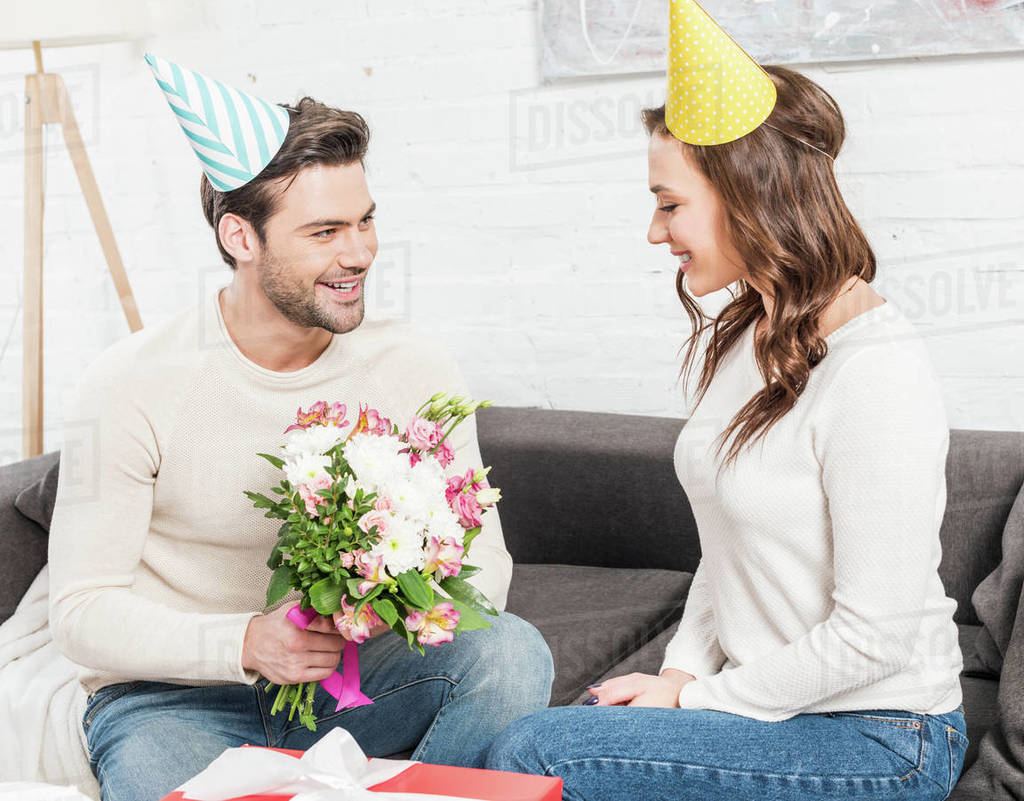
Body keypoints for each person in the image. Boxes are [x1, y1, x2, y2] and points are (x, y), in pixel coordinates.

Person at [485, 2, 967, 799]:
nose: (653, 231)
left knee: (538, 751)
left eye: (669, 203)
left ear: (749, 192)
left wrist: (697, 698)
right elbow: (728, 539)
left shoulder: (879, 371)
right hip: (775, 708)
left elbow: (875, 639)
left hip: (885, 734)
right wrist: (677, 670)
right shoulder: (750, 334)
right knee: (567, 730)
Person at [48, 55, 552, 801]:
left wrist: (384, 605)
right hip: (175, 702)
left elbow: (487, 569)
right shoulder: (125, 384)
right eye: (324, 231)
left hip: (355, 683)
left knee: (510, 655)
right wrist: (247, 641)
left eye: (366, 220)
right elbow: (81, 613)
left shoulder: (415, 367)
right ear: (239, 238)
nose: (359, 253)